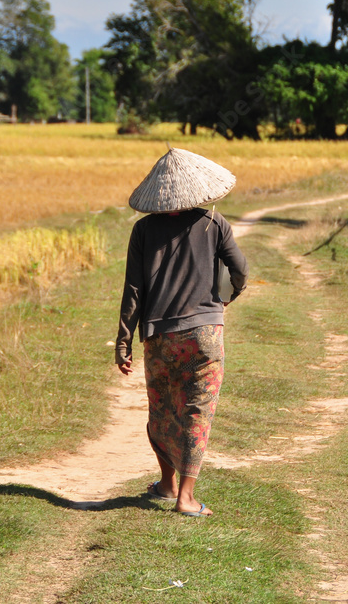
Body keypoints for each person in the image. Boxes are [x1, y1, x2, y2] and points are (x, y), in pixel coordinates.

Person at [115, 147, 248, 517]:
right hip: (205, 334)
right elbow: (240, 271)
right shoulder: (213, 223)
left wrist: (124, 341)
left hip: (158, 336)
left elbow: (134, 290)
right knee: (196, 410)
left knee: (163, 409)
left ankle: (166, 483)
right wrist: (225, 299)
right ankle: (184, 497)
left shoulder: (143, 230)